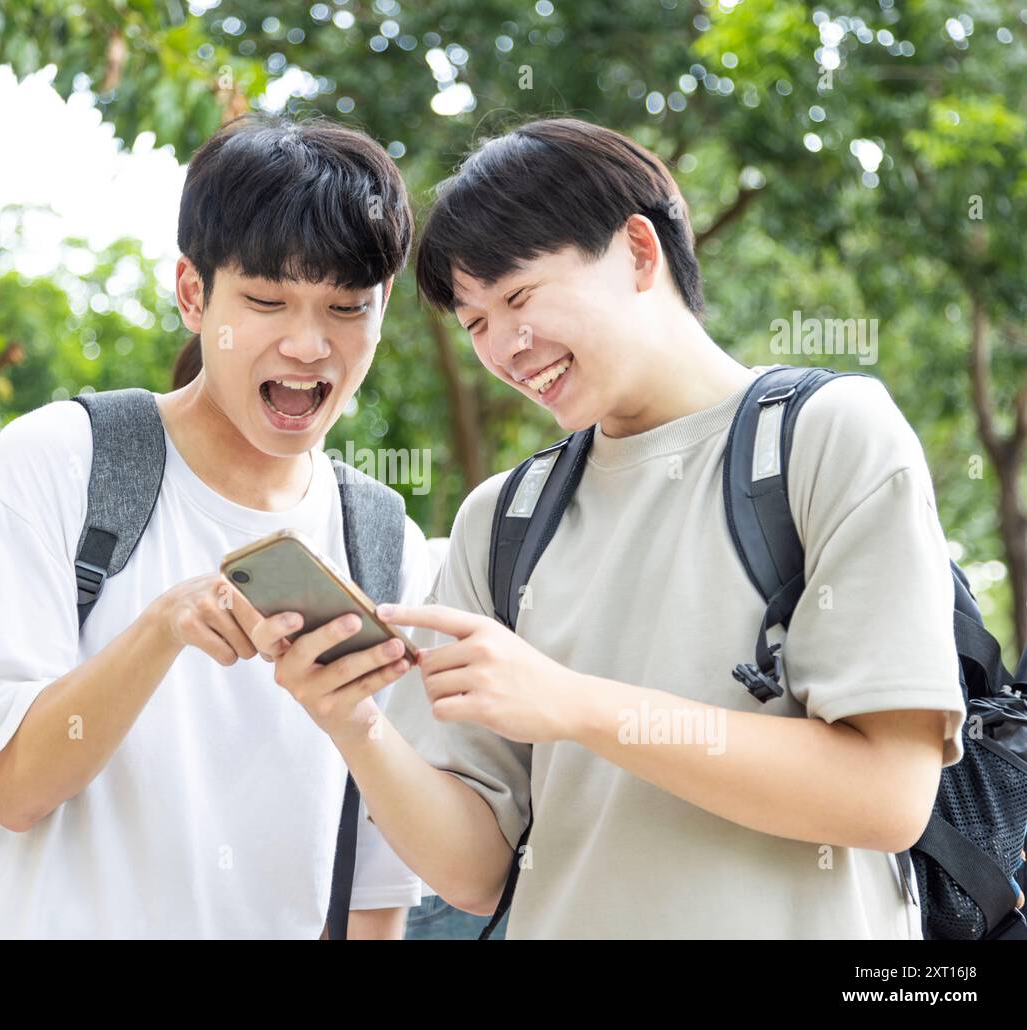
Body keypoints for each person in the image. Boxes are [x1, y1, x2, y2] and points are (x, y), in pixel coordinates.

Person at [251, 117, 969, 939]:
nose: (506, 348)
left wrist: (575, 705)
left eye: (518, 296)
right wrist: (356, 724)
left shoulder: (825, 437)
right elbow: (476, 874)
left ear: (637, 250)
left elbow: (887, 797)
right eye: (475, 322)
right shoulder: (502, 518)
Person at [0, 113, 427, 938]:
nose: (308, 344)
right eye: (267, 302)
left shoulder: (384, 542)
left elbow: (374, 888)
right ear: (194, 295)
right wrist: (162, 627)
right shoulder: (62, 462)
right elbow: (9, 790)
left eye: (345, 308)